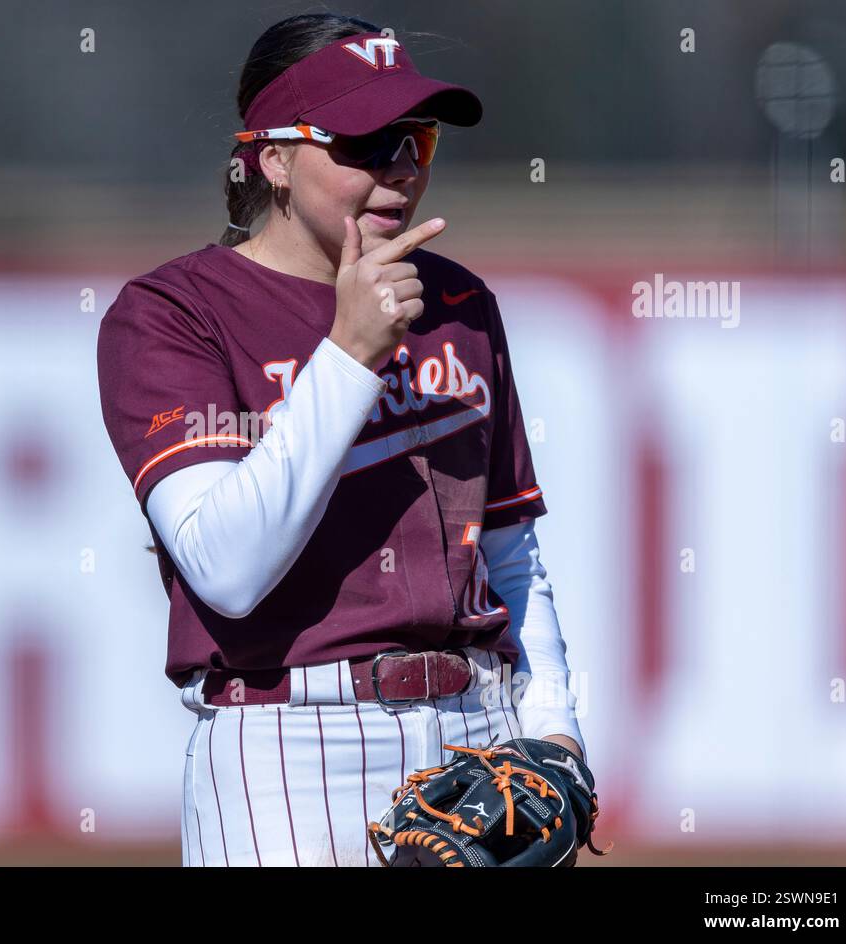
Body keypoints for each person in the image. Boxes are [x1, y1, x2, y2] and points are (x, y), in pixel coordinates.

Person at [96, 12, 587, 867]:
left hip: (480, 734)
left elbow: (511, 554)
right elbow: (228, 570)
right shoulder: (175, 315)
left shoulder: (460, 306)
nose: (399, 169)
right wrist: (351, 353)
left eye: (416, 140)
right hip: (286, 744)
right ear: (273, 158)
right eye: (365, 142)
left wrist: (555, 735)